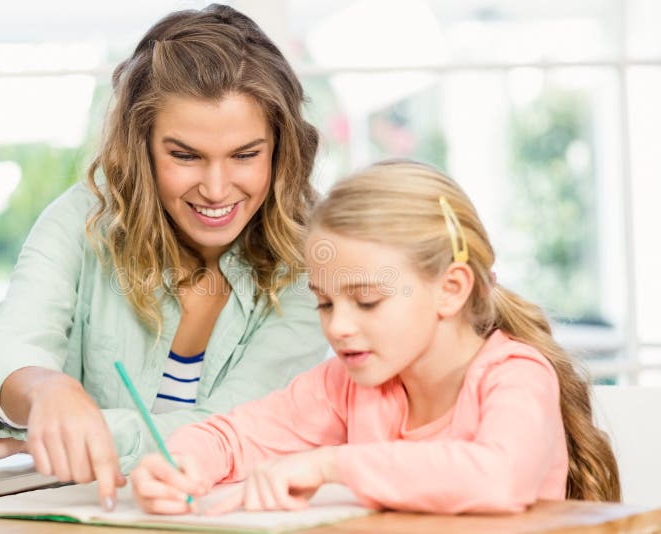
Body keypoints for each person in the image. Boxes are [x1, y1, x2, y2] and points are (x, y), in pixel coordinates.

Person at [0, 3, 329, 511]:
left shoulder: (310, 260)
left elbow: (229, 429)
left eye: (245, 155)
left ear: (280, 147)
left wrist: (26, 441)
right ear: (141, 147)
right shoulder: (82, 219)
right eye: (184, 155)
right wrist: (46, 392)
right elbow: (10, 347)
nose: (215, 188)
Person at [130, 159, 621, 515]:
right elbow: (232, 437)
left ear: (450, 290)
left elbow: (499, 478)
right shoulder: (346, 382)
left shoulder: (515, 377)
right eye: (324, 302)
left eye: (367, 301)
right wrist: (183, 463)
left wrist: (329, 465)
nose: (338, 326)